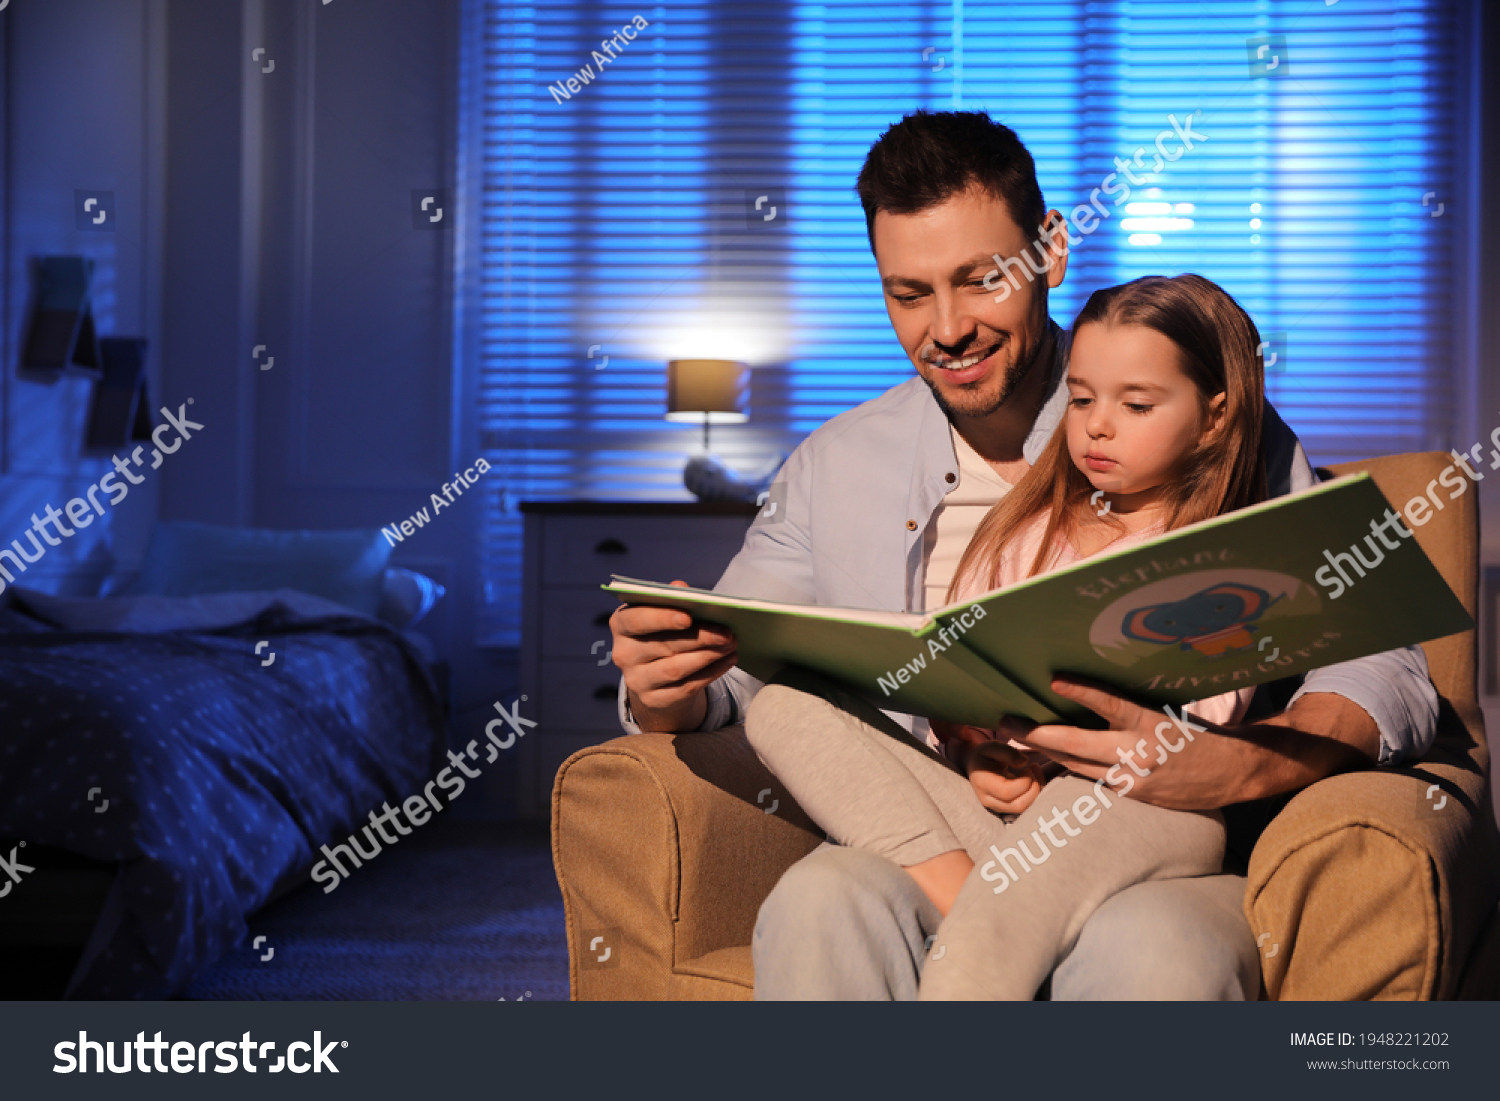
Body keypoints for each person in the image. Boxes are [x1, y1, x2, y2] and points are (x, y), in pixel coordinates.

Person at [608, 110, 1439, 1000]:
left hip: (1152, 835)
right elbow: (742, 670)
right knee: (818, 895)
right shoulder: (834, 463)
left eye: (980, 280)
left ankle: (987, 954)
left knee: (1156, 950)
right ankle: (988, 916)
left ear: (1049, 249)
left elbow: (1376, 650)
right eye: (910, 293)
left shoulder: (1180, 421)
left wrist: (1244, 764)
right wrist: (671, 685)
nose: (949, 327)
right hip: (951, 826)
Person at [744, 272, 1289, 1000]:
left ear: (1215, 417)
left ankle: (971, 974)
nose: (1097, 424)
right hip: (997, 815)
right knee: (782, 703)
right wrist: (977, 746)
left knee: (1092, 796)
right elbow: (966, 671)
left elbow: (1212, 716)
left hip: (1142, 807)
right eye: (1083, 398)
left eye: (1136, 404)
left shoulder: (1229, 559)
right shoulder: (1025, 532)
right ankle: (966, 893)